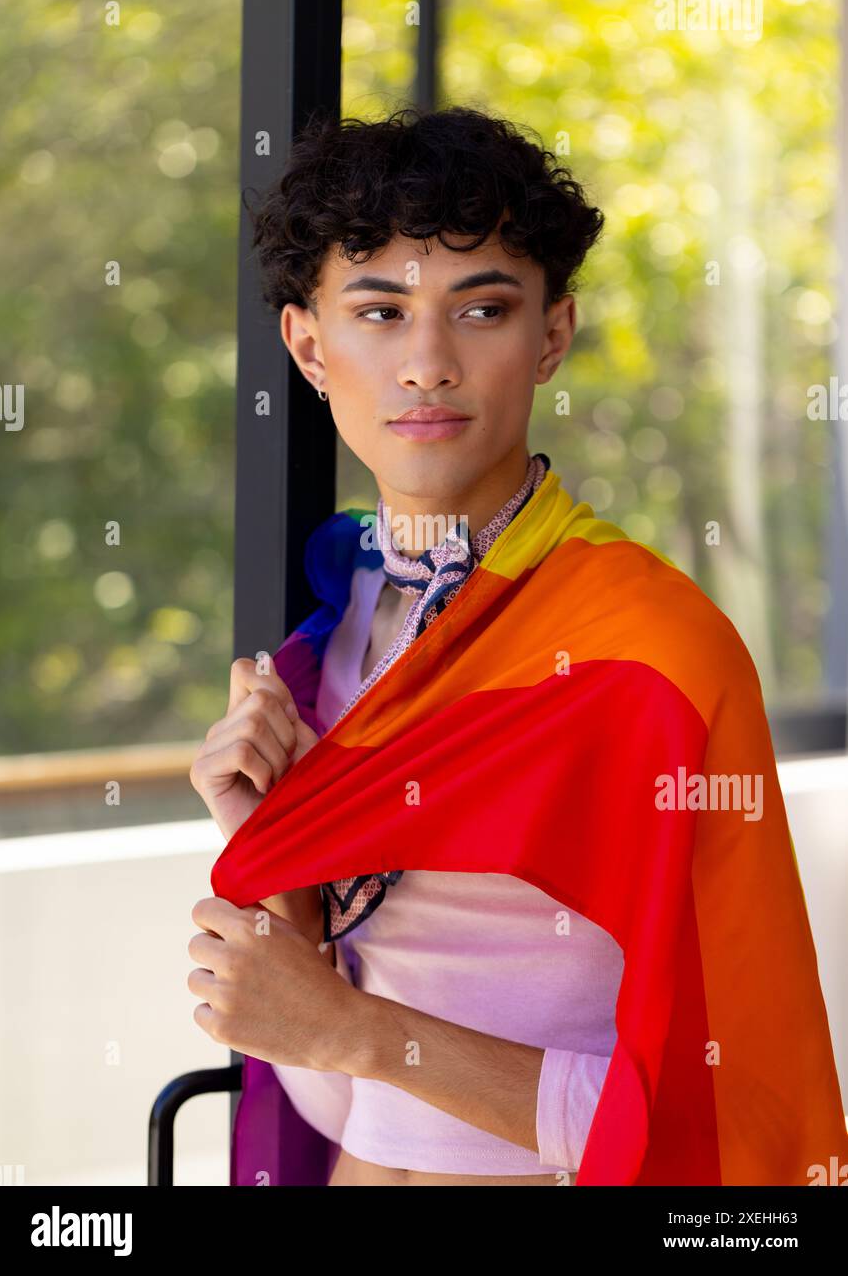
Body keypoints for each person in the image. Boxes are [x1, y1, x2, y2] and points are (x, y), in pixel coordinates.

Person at [189, 105, 843, 1187]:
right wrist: (277, 851)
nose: (429, 363)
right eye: (382, 311)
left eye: (481, 309)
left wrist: (355, 1027)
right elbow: (335, 1080)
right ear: (309, 343)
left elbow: (719, 1118)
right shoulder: (330, 630)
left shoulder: (652, 656)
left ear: (550, 335)